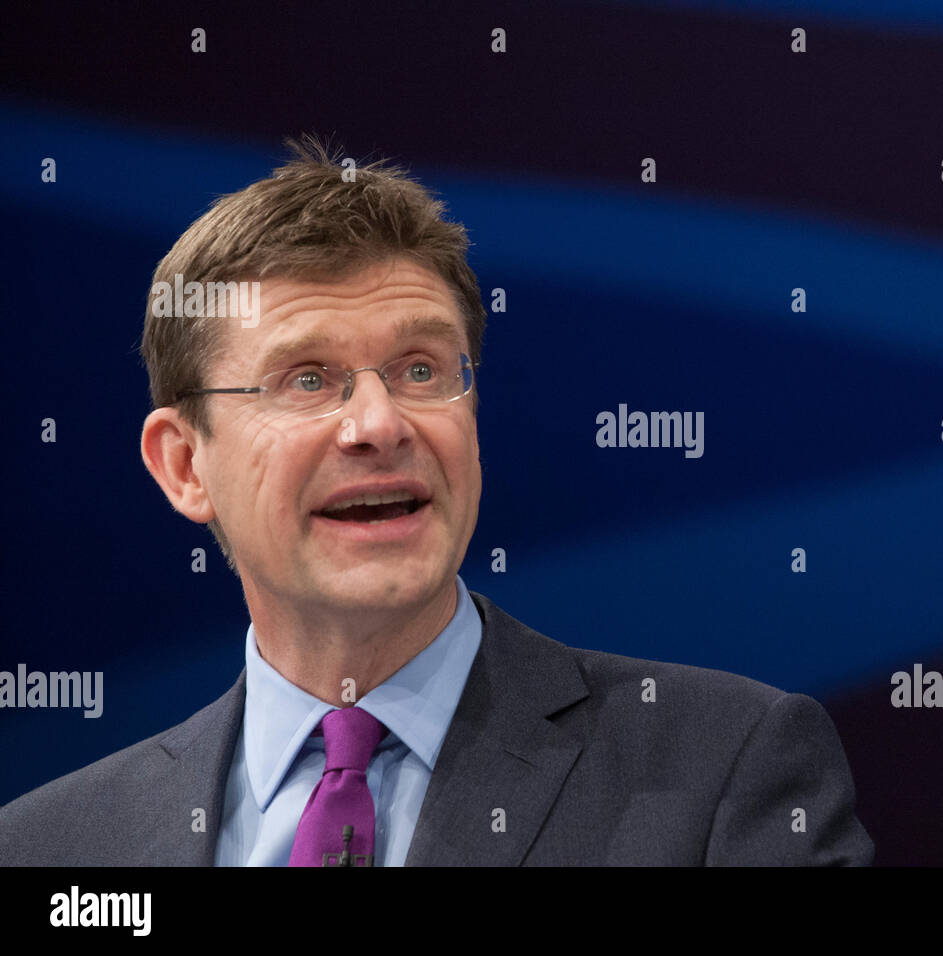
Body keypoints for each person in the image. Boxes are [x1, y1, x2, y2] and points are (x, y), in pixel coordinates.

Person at [0, 138, 874, 866]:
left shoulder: (723, 768)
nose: (380, 423)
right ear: (184, 465)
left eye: (422, 369)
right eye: (309, 380)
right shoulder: (55, 848)